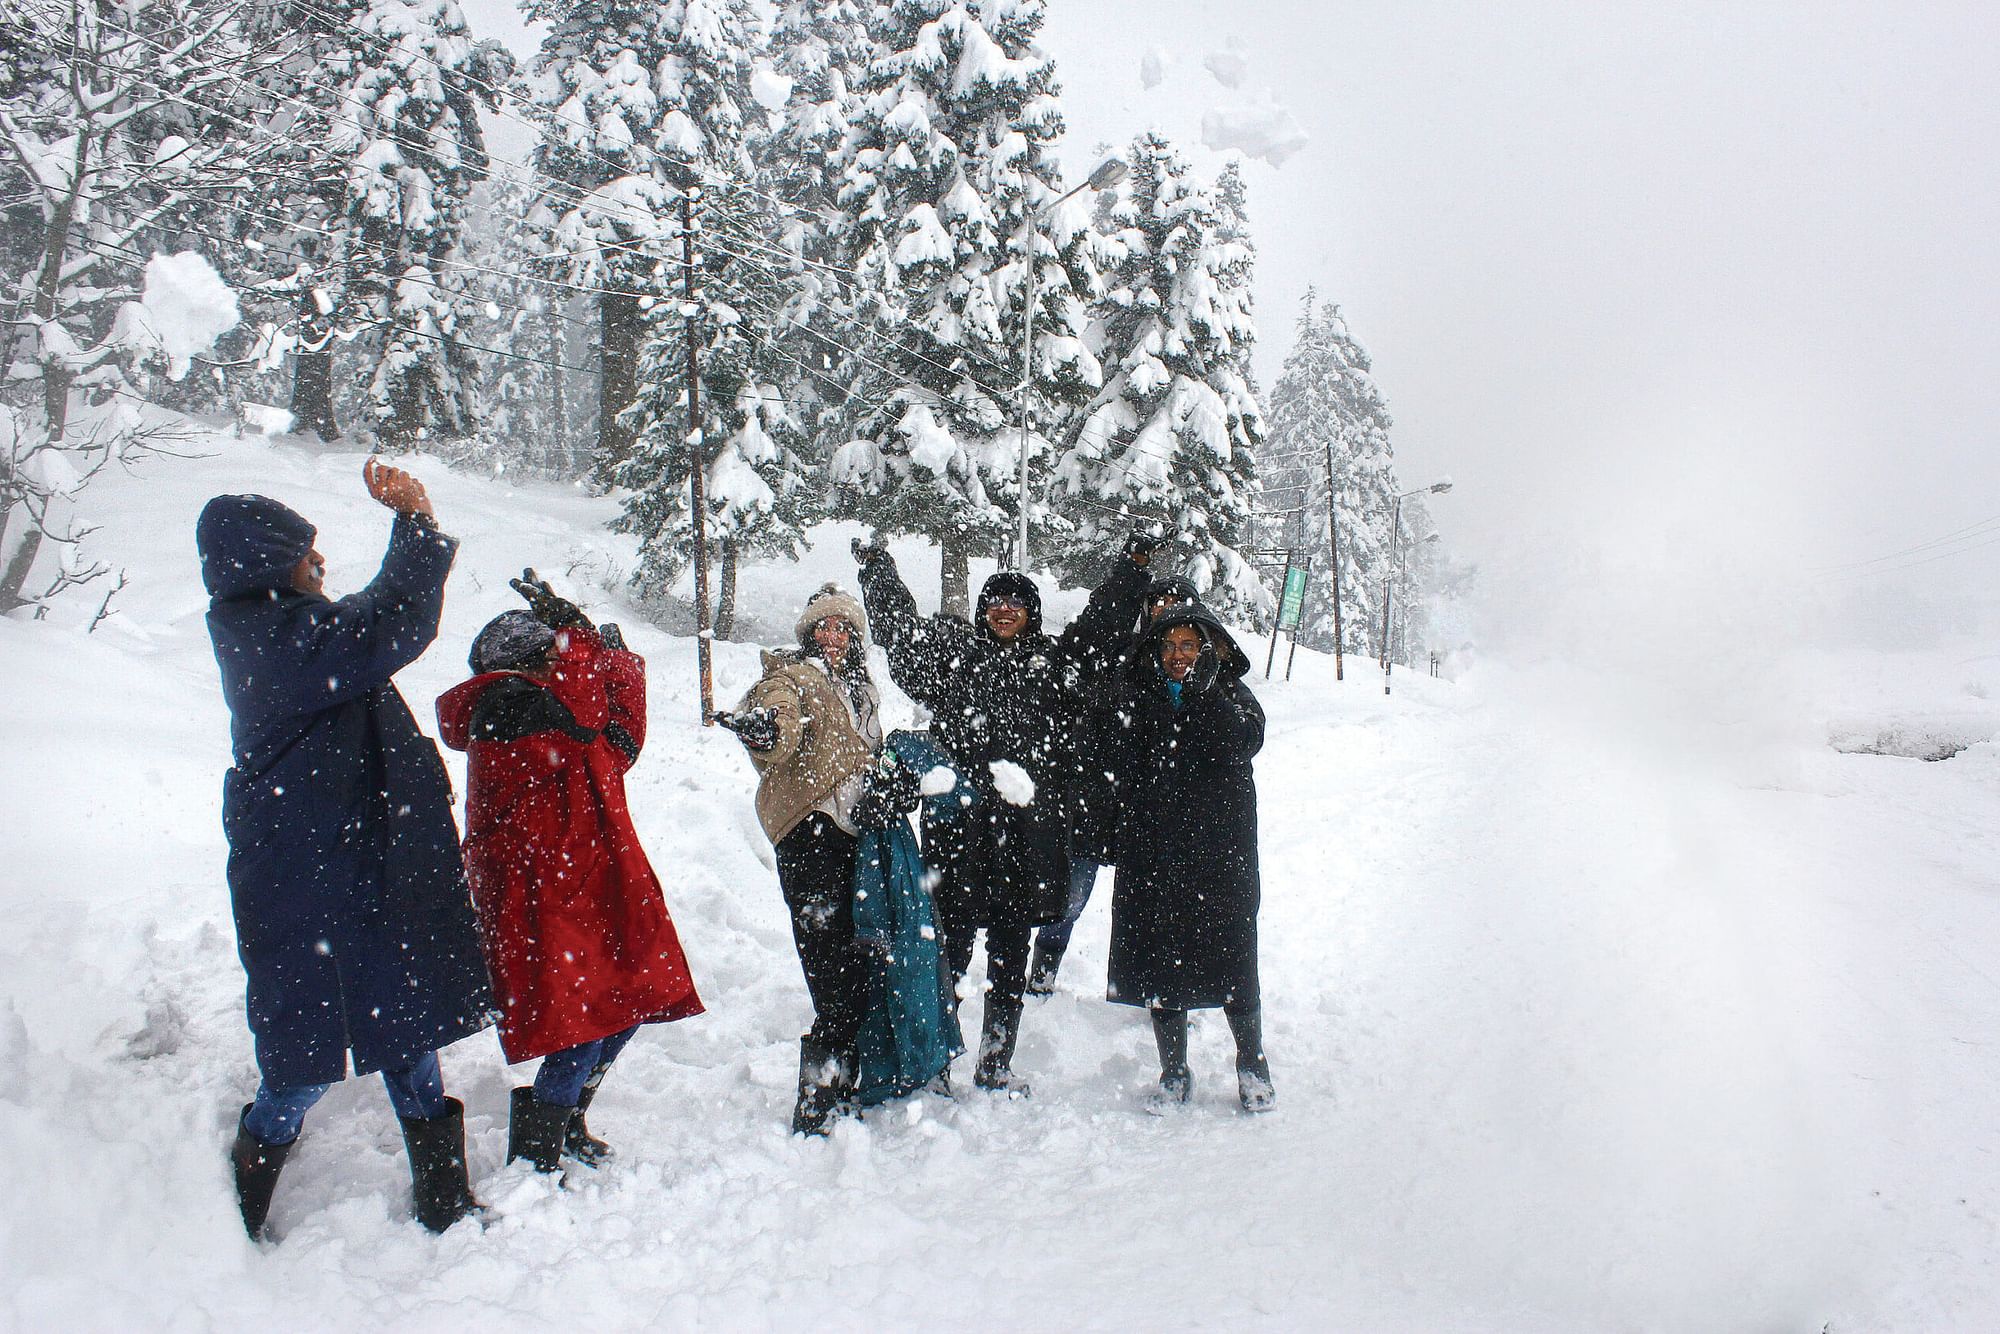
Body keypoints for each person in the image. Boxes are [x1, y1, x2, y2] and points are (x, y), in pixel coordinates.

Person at [196, 460, 492, 1240]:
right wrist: (417, 522)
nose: (318, 562)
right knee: (302, 1058)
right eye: (303, 553)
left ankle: (445, 1202)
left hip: (353, 868)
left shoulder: (288, 632)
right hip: (312, 882)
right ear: (266, 566)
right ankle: (232, 1208)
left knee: (402, 1025)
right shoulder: (280, 642)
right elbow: (390, 619)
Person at [854, 532, 1155, 1093]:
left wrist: (1131, 571)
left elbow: (1102, 629)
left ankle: (995, 1062)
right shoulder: (955, 663)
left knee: (1010, 957)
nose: (1004, 610)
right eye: (994, 601)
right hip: (958, 837)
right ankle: (935, 1062)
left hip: (1028, 838)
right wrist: (877, 571)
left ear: (1033, 612)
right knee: (947, 954)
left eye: (1017, 603)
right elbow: (900, 634)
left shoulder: (1058, 665)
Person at [436, 573, 704, 1172]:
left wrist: (614, 662)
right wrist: (580, 639)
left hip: (590, 885)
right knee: (588, 1019)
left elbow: (620, 739)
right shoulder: (506, 708)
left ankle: (566, 1116)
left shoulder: (557, 719)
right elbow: (585, 710)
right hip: (545, 895)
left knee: (632, 1001)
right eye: (545, 655)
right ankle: (539, 1151)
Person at [721, 584, 946, 1133]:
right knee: (829, 966)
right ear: (809, 634)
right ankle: (819, 1097)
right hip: (812, 835)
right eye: (823, 627)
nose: (834, 636)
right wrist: (764, 730)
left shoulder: (862, 690)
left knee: (861, 957)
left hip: (859, 840)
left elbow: (870, 758)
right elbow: (778, 719)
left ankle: (850, 1079)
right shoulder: (793, 677)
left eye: (844, 628)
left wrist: (895, 785)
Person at [1106, 598, 1274, 1114]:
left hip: (1220, 859)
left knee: (1234, 961)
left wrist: (1206, 699)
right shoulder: (1140, 697)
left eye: (1188, 645)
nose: (1177, 655)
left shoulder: (1233, 695)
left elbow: (1244, 740)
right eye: (1168, 645)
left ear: (1208, 649)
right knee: (1161, 962)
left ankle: (1252, 1063)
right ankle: (1174, 1071)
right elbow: (1116, 758)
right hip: (1154, 856)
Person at [1026, 572, 1204, 996]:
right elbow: (1085, 637)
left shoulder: (1200, 671)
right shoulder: (1120, 653)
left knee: (1159, 909)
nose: (1164, 608)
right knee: (1069, 897)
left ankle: (1164, 992)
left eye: (1175, 601)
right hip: (1095, 800)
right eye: (1157, 601)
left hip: (1155, 813)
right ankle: (1044, 967)